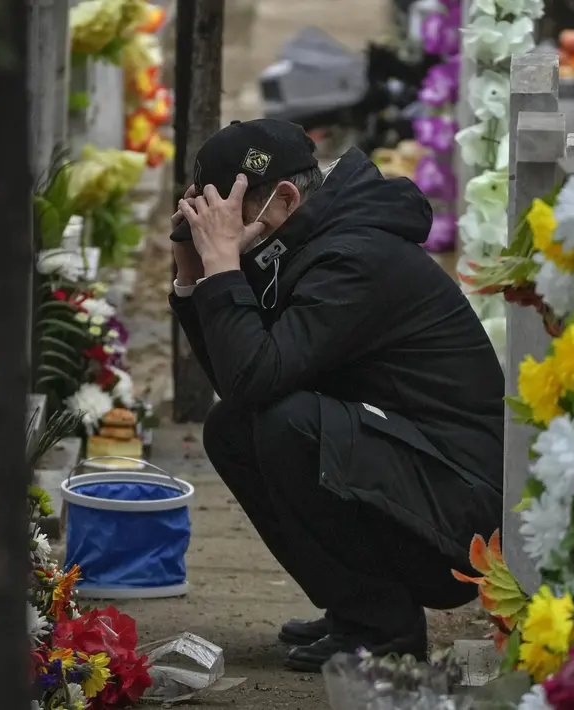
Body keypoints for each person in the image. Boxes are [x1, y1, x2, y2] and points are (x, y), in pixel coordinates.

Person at [169, 118, 504, 671]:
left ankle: (382, 625)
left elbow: (258, 376)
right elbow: (241, 383)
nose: (220, 234)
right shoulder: (305, 238)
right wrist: (193, 273)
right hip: (410, 469)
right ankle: (359, 607)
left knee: (288, 424)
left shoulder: (354, 257)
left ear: (284, 198)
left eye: (229, 218)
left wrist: (225, 266)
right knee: (234, 427)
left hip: (461, 517)